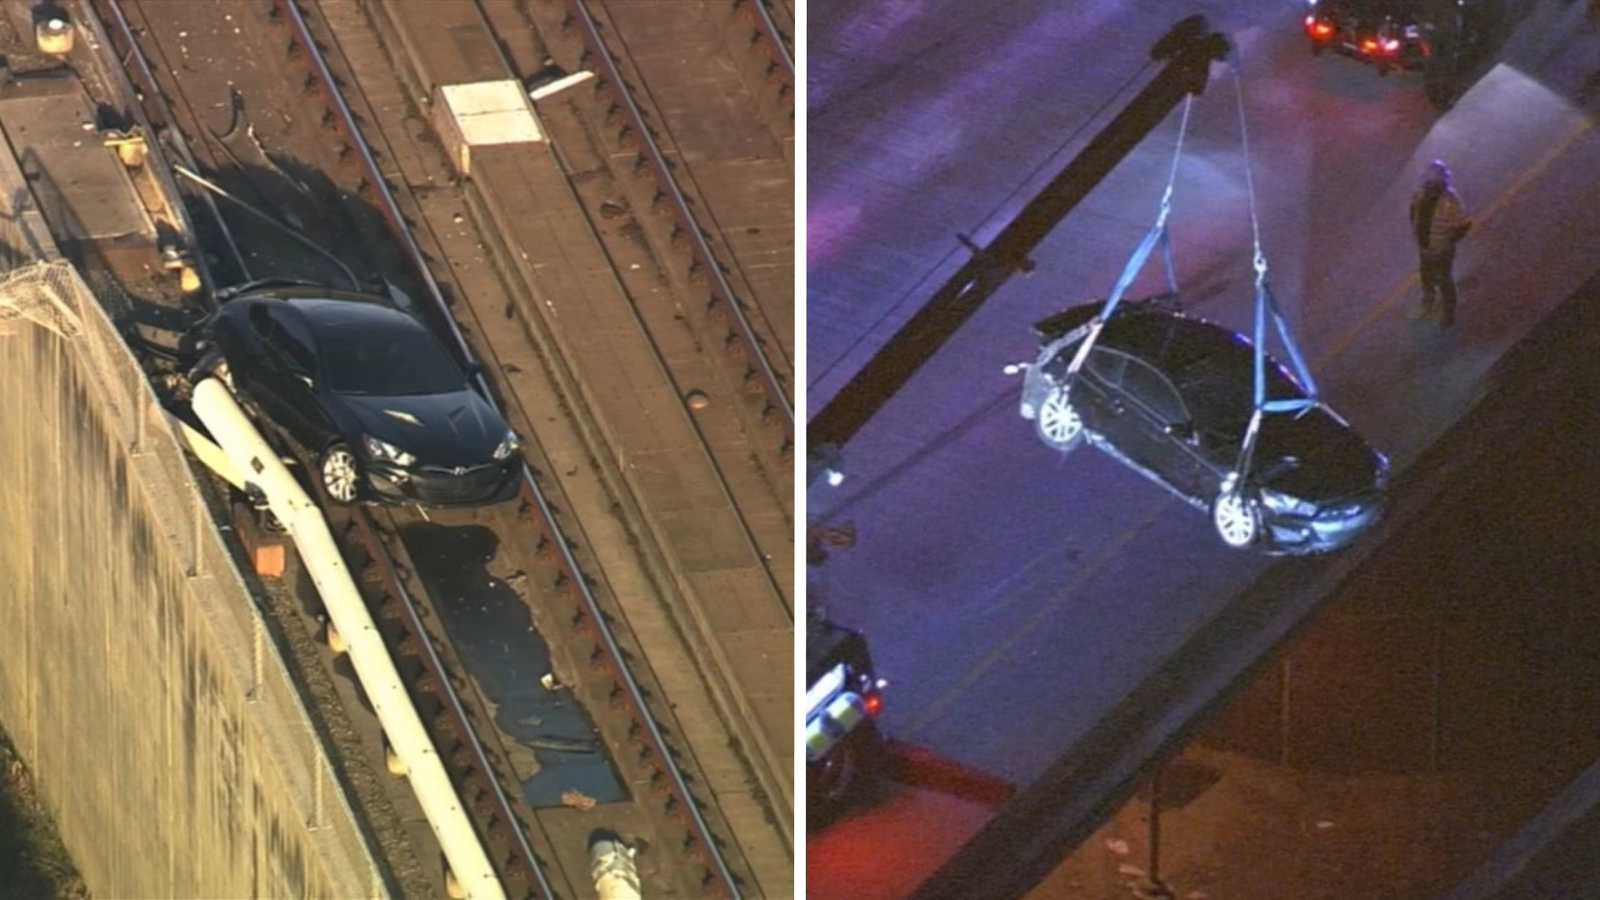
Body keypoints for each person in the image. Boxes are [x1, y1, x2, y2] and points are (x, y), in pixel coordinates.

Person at [1408, 160, 1471, 327]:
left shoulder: (1451, 201)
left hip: (1441, 249)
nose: (1430, 185)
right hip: (1424, 246)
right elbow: (1413, 212)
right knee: (1426, 276)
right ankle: (1427, 302)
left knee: (1444, 280)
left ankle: (1448, 314)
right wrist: (1418, 235)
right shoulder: (1420, 194)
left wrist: (1447, 243)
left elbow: (1463, 225)